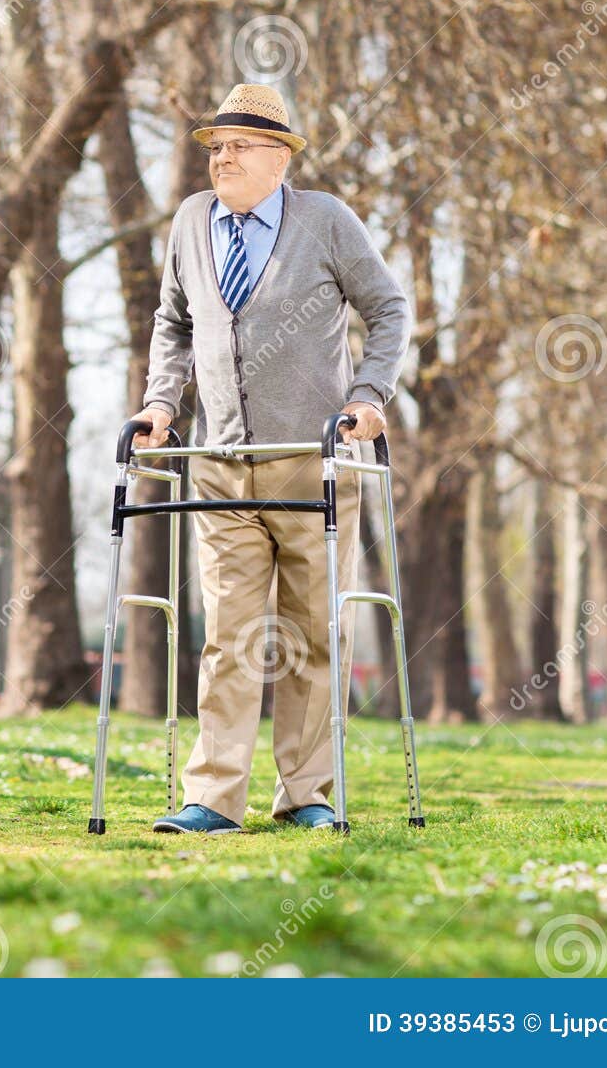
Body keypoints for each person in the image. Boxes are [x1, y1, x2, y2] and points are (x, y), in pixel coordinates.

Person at [134, 83, 412, 833]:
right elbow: (173, 323)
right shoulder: (191, 221)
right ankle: (212, 797)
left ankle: (306, 795)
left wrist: (368, 395)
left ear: (279, 157)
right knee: (226, 636)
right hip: (221, 460)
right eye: (215, 147)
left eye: (238, 146)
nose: (221, 158)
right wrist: (161, 404)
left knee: (313, 633)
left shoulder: (324, 220)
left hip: (311, 461)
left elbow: (388, 308)